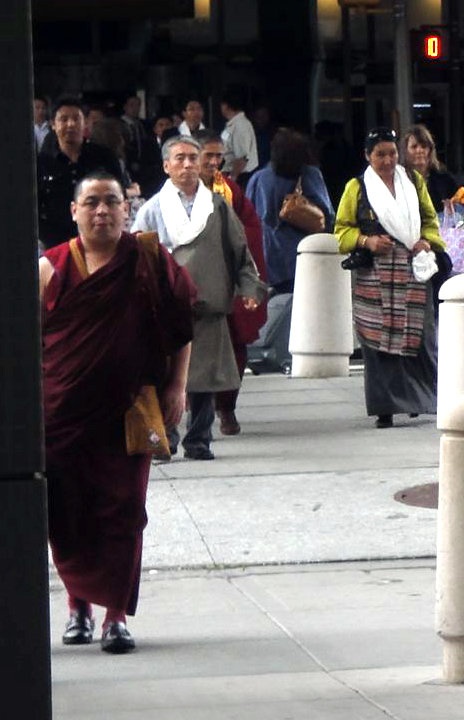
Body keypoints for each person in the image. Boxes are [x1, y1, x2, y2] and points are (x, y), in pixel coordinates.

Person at [41, 171, 196, 653]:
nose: (102, 210)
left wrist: (177, 385)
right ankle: (77, 609)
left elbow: (181, 326)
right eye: (91, 202)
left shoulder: (149, 258)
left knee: (124, 512)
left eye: (111, 201)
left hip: (128, 412)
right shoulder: (51, 267)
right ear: (74, 211)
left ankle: (114, 618)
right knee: (66, 513)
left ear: (126, 209)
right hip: (60, 413)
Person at [132, 137, 265, 460]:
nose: (188, 164)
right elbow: (136, 256)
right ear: (166, 166)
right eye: (180, 158)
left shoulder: (218, 206)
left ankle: (199, 440)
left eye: (193, 157)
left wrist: (249, 287)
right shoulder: (151, 209)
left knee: (205, 379)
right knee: (166, 378)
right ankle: (168, 437)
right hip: (165, 308)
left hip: (209, 303)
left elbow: (238, 250)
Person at [334, 128, 443, 428]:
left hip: (412, 271)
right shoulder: (356, 188)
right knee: (378, 342)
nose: (387, 160)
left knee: (421, 337)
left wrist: (427, 241)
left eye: (392, 153)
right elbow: (341, 230)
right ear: (367, 156)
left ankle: (424, 401)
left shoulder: (414, 181)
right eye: (380, 154)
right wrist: (367, 242)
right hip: (375, 277)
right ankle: (385, 408)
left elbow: (430, 220)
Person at [195, 131, 269, 436]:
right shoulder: (174, 196)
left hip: (226, 280)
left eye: (218, 156)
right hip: (193, 281)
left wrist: (245, 279)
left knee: (234, 347)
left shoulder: (230, 191)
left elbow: (250, 229)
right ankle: (194, 417)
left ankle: (227, 408)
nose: (214, 162)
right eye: (207, 156)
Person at [247, 129, 334, 296]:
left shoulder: (259, 177)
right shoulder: (309, 174)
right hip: (304, 254)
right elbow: (327, 216)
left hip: (269, 257)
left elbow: (248, 218)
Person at [37, 99, 129, 250]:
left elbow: (120, 196)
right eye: (64, 119)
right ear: (53, 124)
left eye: (76, 118)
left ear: (85, 122)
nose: (70, 124)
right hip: (56, 244)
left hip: (101, 240)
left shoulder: (104, 157)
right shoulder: (41, 162)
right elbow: (36, 209)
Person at [405, 124, 459, 213]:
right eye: (414, 147)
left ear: (430, 150)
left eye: (424, 146)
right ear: (406, 151)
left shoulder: (444, 177)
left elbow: (461, 203)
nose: (419, 150)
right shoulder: (399, 179)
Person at [219, 89, 259, 180]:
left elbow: (242, 157)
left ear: (226, 106)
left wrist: (232, 178)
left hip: (239, 177)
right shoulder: (232, 124)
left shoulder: (241, 125)